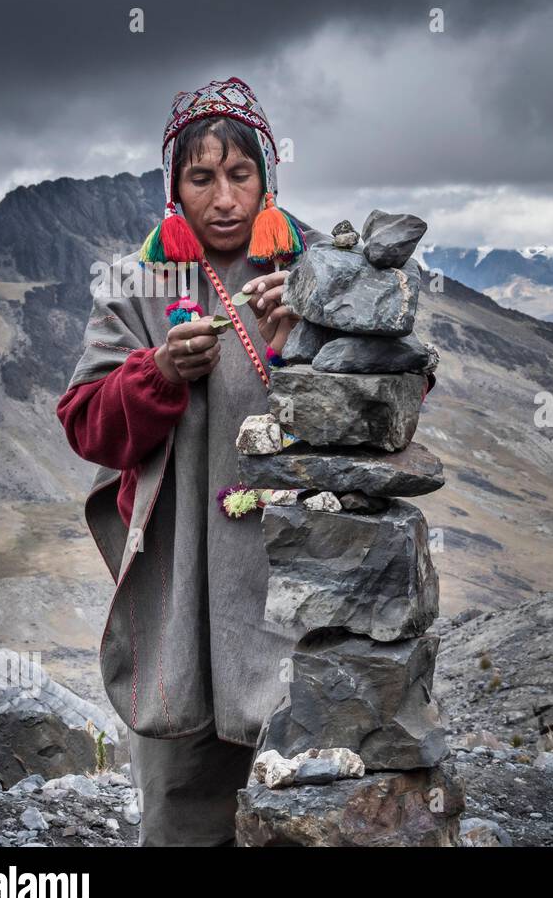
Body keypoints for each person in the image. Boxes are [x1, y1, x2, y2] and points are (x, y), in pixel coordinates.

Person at [56, 77, 387, 845]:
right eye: (201, 178)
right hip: (182, 586)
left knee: (310, 800)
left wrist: (306, 338)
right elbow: (86, 423)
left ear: (268, 179)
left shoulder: (321, 273)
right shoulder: (140, 287)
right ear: (175, 187)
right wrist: (159, 373)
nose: (224, 198)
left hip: (301, 582)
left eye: (241, 175)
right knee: (181, 808)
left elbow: (392, 401)